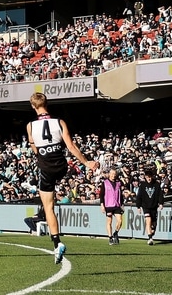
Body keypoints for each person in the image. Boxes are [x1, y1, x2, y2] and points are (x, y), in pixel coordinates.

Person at [27, 92, 98, 264]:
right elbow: (71, 147)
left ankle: (57, 243)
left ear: (33, 106)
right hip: (61, 166)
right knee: (54, 195)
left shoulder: (30, 126)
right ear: (47, 104)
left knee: (48, 207)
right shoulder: (59, 122)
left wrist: (41, 153)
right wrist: (87, 163)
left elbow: (34, 147)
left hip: (46, 168)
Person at [136, 168, 165, 245]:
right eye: (147, 177)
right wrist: (138, 206)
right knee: (147, 220)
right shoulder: (142, 185)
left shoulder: (156, 185)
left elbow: (160, 195)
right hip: (145, 206)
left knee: (153, 225)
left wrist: (161, 203)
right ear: (145, 177)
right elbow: (139, 196)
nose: (148, 178)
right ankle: (150, 238)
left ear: (152, 177)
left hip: (154, 206)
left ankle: (151, 233)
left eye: (150, 177)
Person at [98, 168, 124, 245]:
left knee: (120, 221)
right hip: (108, 205)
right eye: (112, 174)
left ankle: (115, 233)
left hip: (117, 205)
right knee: (109, 221)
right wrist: (102, 205)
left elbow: (121, 194)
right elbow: (101, 195)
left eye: (114, 174)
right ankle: (110, 237)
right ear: (109, 174)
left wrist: (122, 204)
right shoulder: (105, 183)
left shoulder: (118, 183)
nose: (113, 175)